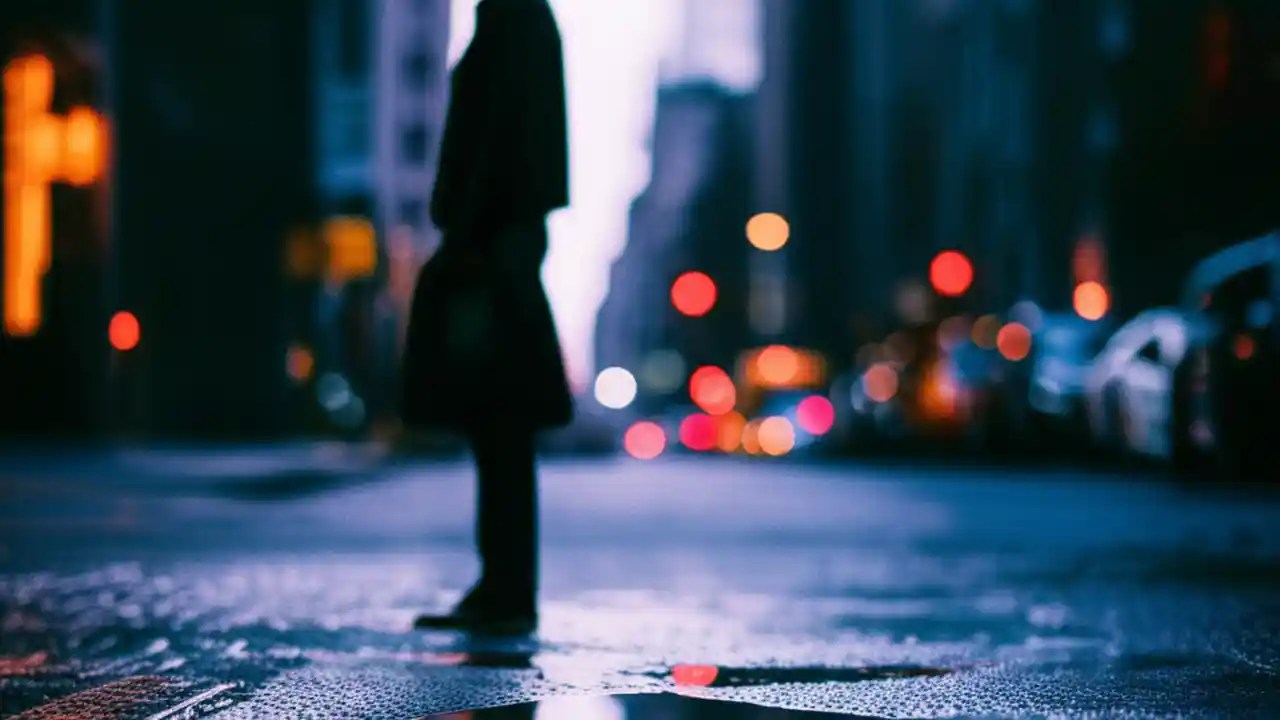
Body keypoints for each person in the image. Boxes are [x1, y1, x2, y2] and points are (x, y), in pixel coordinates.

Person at [400, 0, 572, 633]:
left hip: (493, 242)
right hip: (497, 237)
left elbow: (509, 137)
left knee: (498, 421)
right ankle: (503, 583)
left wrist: (476, 232)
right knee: (497, 425)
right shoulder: (512, 16)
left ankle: (505, 586)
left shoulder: (514, 17)